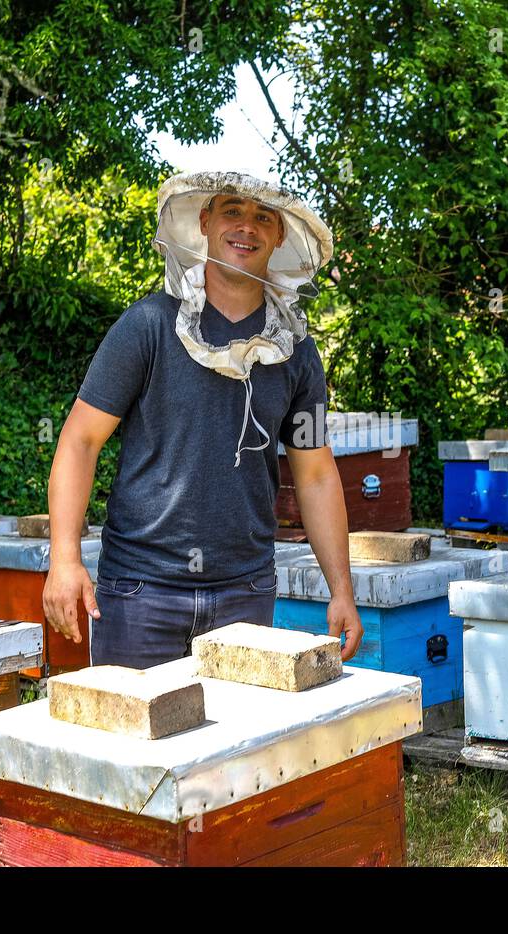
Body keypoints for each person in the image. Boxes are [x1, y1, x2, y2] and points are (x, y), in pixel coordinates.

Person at [42, 171, 363, 667]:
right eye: (233, 211)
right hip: (140, 592)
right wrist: (64, 559)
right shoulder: (148, 325)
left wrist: (341, 590)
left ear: (279, 237)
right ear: (206, 222)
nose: (247, 227)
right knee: (132, 746)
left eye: (263, 218)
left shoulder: (295, 351)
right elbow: (80, 441)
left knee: (235, 745)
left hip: (246, 592)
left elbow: (316, 474)